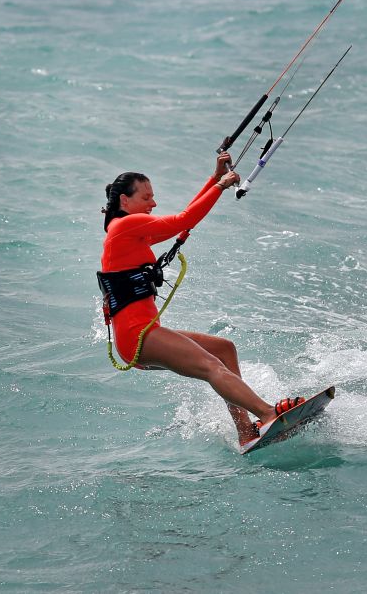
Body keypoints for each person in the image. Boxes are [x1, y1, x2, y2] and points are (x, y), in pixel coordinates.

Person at [99, 151, 302, 445]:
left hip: (143, 332)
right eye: (146, 198)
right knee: (211, 367)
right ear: (124, 202)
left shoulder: (132, 234)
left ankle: (246, 431)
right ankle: (268, 412)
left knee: (224, 350)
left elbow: (183, 222)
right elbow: (185, 218)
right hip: (138, 335)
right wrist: (221, 186)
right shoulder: (123, 227)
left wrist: (215, 178)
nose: (153, 203)